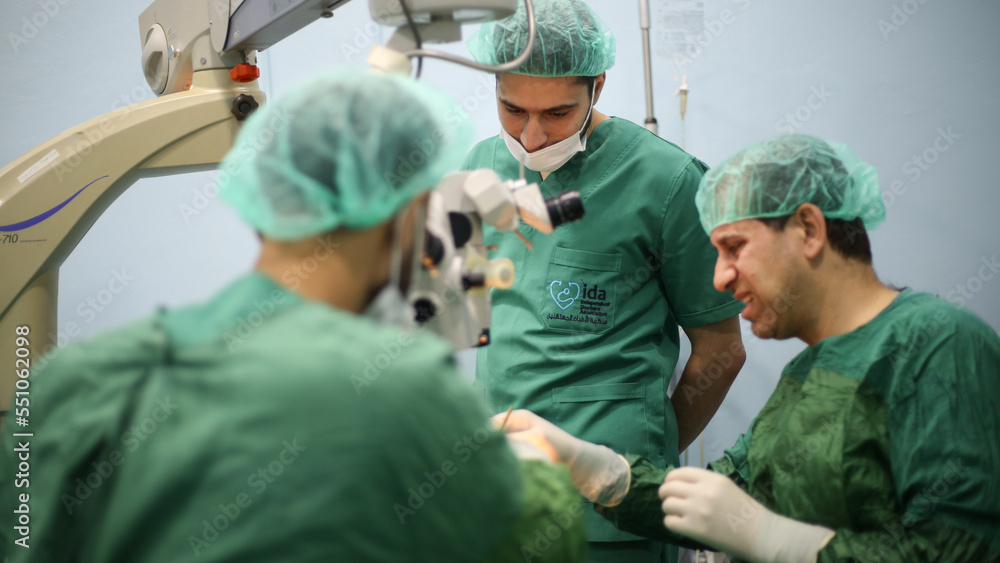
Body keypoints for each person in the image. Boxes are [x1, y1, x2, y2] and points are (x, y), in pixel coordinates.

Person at [0, 69, 588, 562]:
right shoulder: (406, 389)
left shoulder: (65, 387)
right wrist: (539, 467)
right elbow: (528, 546)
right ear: (414, 217)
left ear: (264, 203)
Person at [498, 134, 1000, 562]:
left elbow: (960, 549)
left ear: (808, 229)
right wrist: (594, 470)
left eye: (734, 248)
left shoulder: (937, 345)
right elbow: (721, 497)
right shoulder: (807, 373)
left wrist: (774, 540)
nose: (719, 278)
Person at [463, 1, 746, 560]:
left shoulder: (667, 183)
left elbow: (722, 349)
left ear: (598, 85)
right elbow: (486, 331)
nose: (534, 135)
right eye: (512, 109)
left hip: (613, 521)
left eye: (559, 113)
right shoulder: (480, 168)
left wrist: (647, 456)